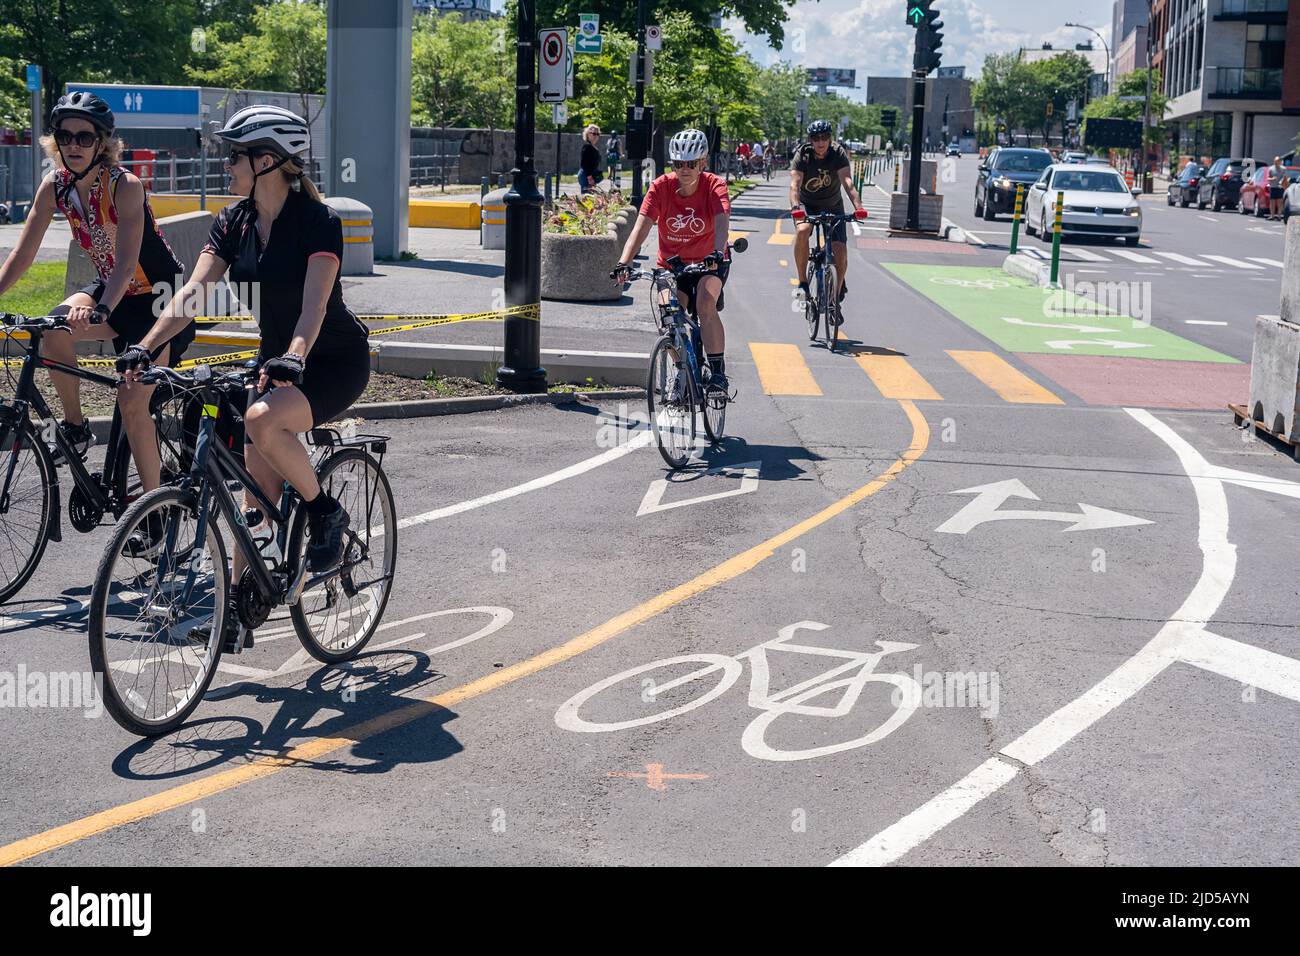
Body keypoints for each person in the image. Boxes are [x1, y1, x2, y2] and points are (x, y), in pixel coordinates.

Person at [119, 105, 370, 650]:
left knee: (261, 419)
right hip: (277, 360)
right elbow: (190, 294)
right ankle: (238, 606)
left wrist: (295, 356)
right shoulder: (233, 222)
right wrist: (145, 346)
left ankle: (326, 513)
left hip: (330, 361)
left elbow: (315, 306)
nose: (226, 164)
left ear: (268, 160)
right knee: (253, 492)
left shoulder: (318, 222)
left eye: (234, 155)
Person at [0, 92, 193, 523]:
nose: (73, 144)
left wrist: (102, 309)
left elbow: (127, 261)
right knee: (51, 327)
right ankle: (75, 426)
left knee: (131, 402)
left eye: (84, 136)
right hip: (114, 291)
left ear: (101, 142)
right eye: (65, 135)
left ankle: (154, 515)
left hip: (160, 298)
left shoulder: (124, 185)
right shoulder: (56, 186)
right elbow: (22, 256)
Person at [612, 128, 733, 394]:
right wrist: (624, 261)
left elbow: (722, 220)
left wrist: (717, 250)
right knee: (668, 315)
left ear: (703, 163)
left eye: (691, 164)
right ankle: (683, 371)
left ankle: (717, 375)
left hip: (709, 262)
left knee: (704, 302)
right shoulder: (661, 187)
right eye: (679, 164)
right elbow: (641, 227)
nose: (685, 169)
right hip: (672, 265)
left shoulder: (714, 185)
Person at [790, 120, 867, 327]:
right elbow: (795, 184)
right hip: (806, 204)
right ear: (810, 141)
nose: (820, 142)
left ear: (830, 138)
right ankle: (803, 283)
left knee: (840, 251)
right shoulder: (803, 155)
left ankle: (834, 300)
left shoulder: (837, 153)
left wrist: (858, 206)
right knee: (803, 230)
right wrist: (796, 207)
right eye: (816, 138)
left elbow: (848, 182)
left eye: (824, 137)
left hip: (833, 206)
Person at [579, 124, 603, 194]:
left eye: (598, 134)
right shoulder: (587, 146)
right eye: (594, 133)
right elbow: (584, 163)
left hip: (590, 175)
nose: (596, 136)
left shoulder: (593, 147)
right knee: (586, 198)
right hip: (586, 175)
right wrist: (590, 178)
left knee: (590, 197)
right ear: (588, 134)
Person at [1268, 156, 1288, 221]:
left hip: (1280, 187)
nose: (1276, 162)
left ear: (1280, 161)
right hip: (1273, 187)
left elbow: (1285, 177)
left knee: (1280, 202)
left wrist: (1282, 182)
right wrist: (1272, 178)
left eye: (1277, 161)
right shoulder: (1271, 169)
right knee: (1272, 202)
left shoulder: (1283, 168)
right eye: (1275, 161)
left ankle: (1279, 216)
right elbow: (1268, 178)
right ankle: (1272, 215)